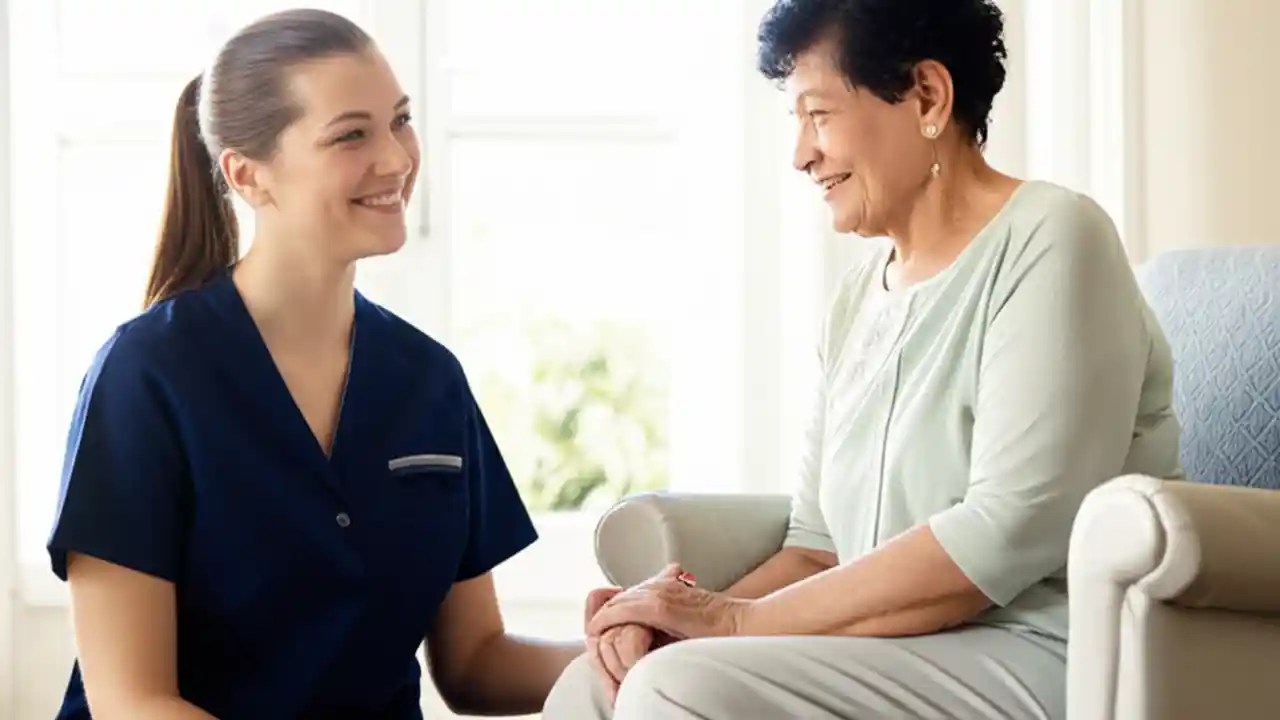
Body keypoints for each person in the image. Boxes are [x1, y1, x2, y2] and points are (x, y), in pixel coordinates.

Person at [545, 0, 1183, 718]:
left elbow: (1007, 530)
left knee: (678, 685)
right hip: (882, 652)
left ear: (928, 97)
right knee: (596, 684)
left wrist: (731, 624)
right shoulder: (855, 301)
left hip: (1040, 652)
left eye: (819, 115)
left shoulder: (1053, 238)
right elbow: (817, 550)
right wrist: (677, 625)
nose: (801, 154)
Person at [46, 9, 587, 718]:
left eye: (400, 121)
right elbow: (131, 700)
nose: (396, 159)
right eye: (351, 135)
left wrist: (632, 652)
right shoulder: (145, 376)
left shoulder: (428, 381)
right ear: (248, 175)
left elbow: (476, 662)